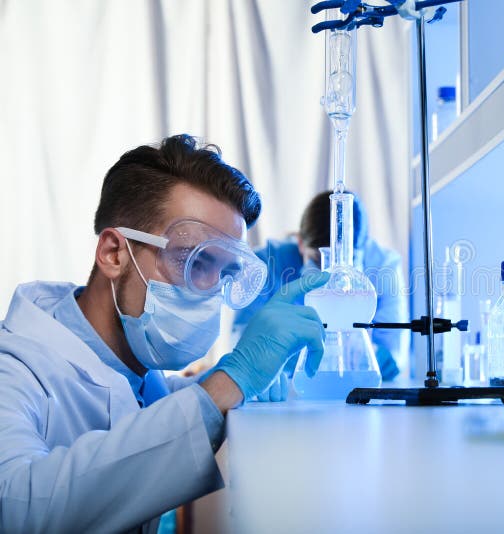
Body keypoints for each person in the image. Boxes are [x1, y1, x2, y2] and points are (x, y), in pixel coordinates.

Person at [0, 135, 328, 532]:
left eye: (224, 272)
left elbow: (153, 411)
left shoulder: (134, 367)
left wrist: (242, 382)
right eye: (192, 260)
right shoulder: (13, 370)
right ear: (114, 254)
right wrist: (228, 381)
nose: (209, 290)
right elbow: (16, 509)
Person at [233, 190, 410, 384]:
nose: (332, 277)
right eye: (319, 261)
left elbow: (391, 357)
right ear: (300, 243)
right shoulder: (268, 262)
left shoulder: (384, 266)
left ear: (363, 248)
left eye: (348, 262)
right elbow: (244, 345)